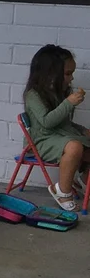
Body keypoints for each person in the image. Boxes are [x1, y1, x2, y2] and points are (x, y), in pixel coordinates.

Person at [23, 44, 90, 211]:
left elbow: (63, 123)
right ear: (50, 74)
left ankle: (83, 178)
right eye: (68, 74)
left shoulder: (60, 92)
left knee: (86, 142)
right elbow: (47, 122)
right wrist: (68, 103)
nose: (71, 78)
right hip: (42, 140)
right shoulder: (33, 95)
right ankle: (62, 191)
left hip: (60, 136)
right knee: (74, 147)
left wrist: (82, 130)